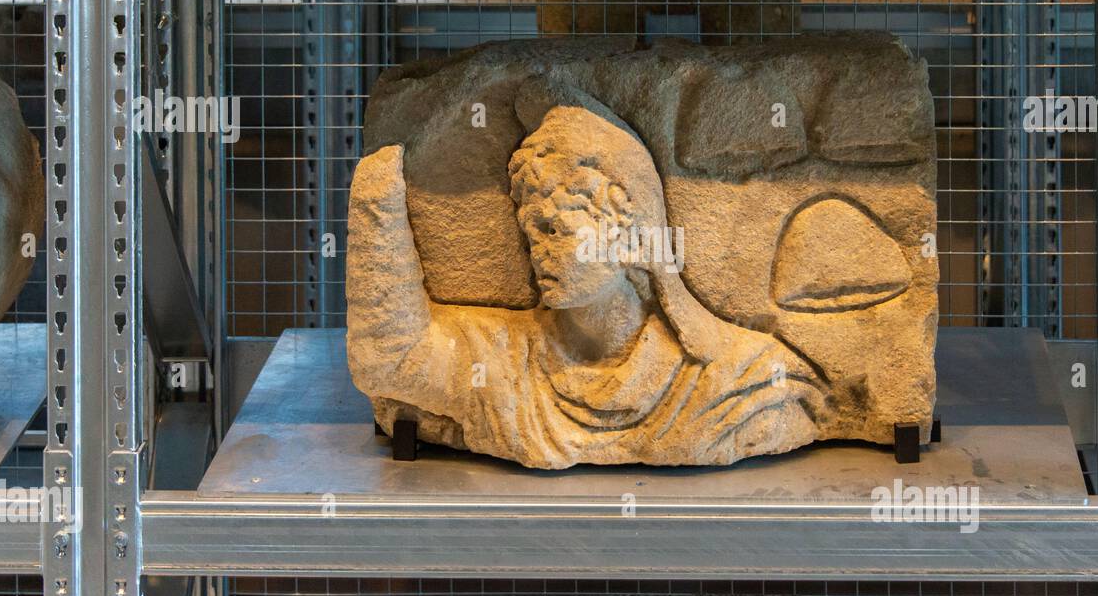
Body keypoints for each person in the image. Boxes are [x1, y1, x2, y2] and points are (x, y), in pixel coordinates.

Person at [346, 95, 826, 469]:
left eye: (556, 231)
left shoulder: (739, 379)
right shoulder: (503, 357)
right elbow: (388, 362)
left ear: (631, 239)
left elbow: (791, 418)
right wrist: (376, 199)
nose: (538, 252)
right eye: (531, 232)